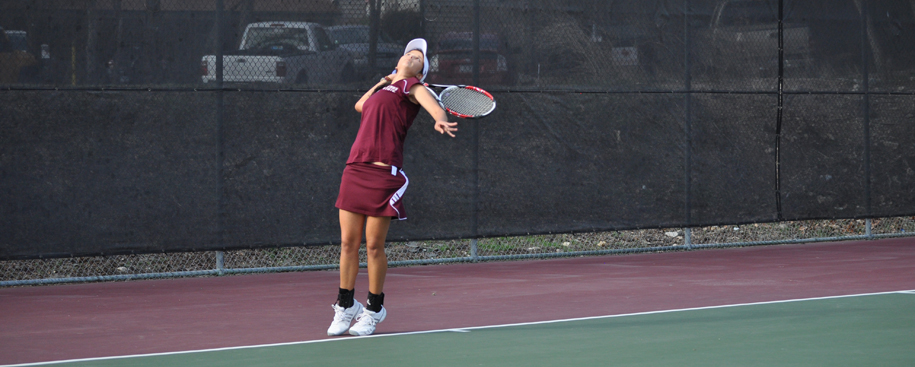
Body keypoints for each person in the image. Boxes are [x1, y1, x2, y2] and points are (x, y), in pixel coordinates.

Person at [327, 38, 458, 336]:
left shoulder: (413, 88)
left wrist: (440, 120)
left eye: (417, 58)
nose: (411, 56)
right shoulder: (386, 87)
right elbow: (360, 105)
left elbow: (434, 108)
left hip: (384, 174)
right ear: (397, 62)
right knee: (348, 243)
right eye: (408, 53)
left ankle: (374, 310)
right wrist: (385, 79)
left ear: (420, 72)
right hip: (355, 168)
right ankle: (346, 306)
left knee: (373, 245)